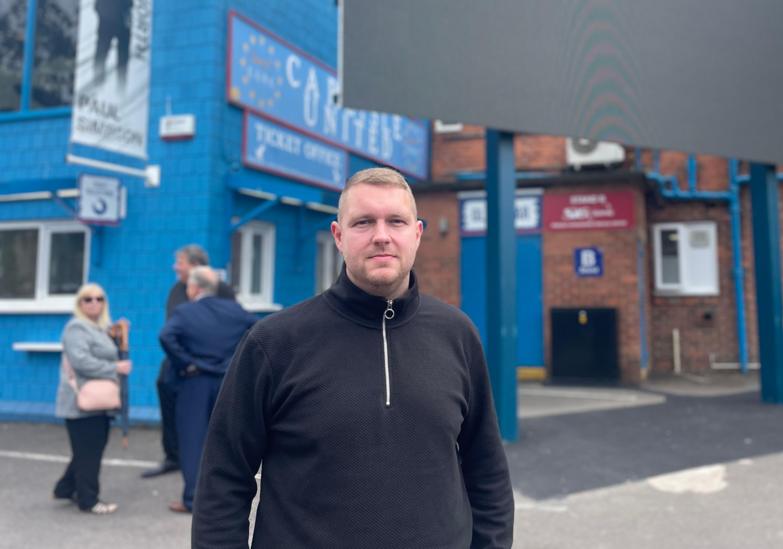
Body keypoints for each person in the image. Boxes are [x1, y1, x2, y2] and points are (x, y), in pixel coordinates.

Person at [192, 167, 514, 548]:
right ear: (339, 236)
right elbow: (224, 478)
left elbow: (487, 469)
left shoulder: (457, 334)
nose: (381, 236)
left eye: (396, 221)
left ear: (417, 234)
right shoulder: (273, 343)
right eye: (363, 222)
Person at [159, 266, 258, 514]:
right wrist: (235, 361)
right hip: (228, 381)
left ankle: (192, 499)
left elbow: (166, 336)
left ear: (195, 288)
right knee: (227, 439)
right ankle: (226, 497)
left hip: (195, 382)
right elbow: (257, 333)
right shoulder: (237, 311)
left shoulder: (185, 312)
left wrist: (188, 362)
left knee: (192, 439)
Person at [143, 244, 236, 479]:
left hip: (208, 366)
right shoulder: (177, 288)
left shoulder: (220, 289)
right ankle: (173, 456)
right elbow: (171, 328)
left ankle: (206, 464)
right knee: (165, 389)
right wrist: (184, 361)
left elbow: (230, 326)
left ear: (194, 266)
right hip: (180, 361)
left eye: (180, 262)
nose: (176, 267)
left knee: (204, 416)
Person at [53, 283, 132, 515]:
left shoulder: (100, 328)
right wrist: (115, 367)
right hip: (81, 402)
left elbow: (107, 345)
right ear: (79, 304)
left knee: (85, 450)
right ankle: (89, 499)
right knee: (90, 453)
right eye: (88, 299)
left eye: (99, 298)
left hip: (99, 403)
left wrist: (119, 331)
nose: (94, 303)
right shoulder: (76, 328)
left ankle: (65, 488)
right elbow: (81, 361)